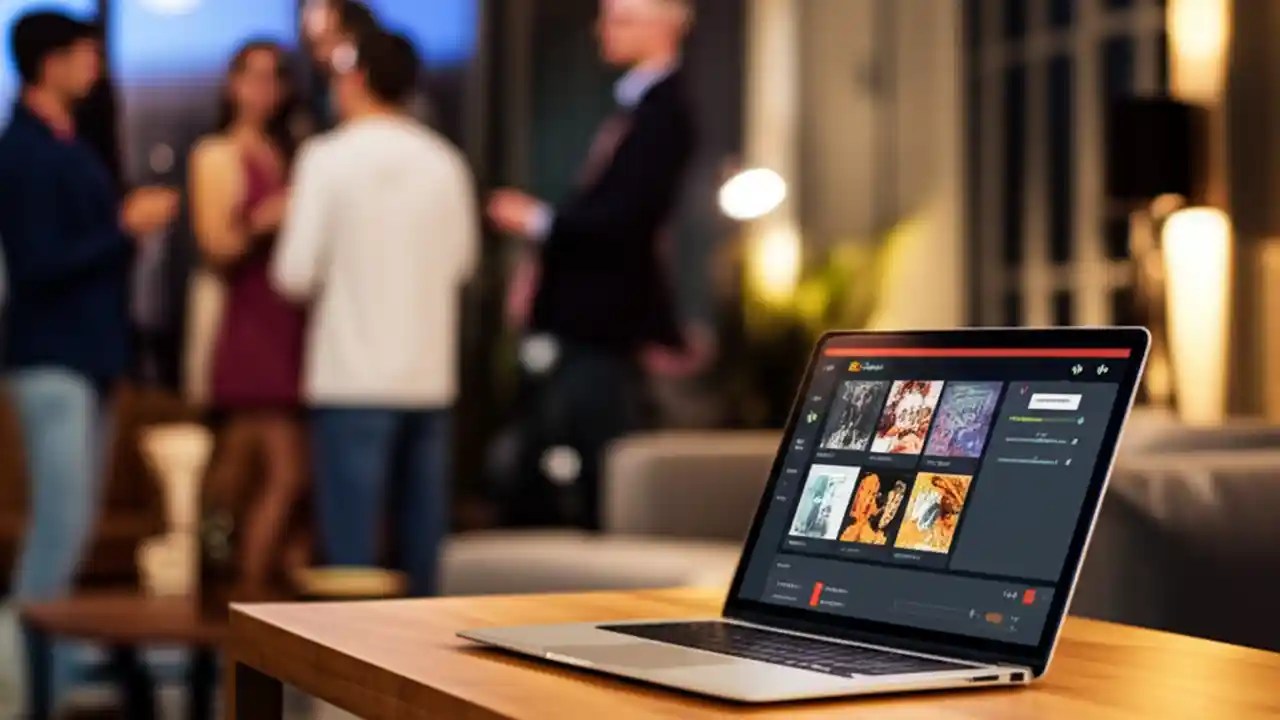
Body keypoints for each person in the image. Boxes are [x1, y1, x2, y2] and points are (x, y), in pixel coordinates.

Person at [0, 10, 177, 709]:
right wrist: (123, 230)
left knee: (70, 529)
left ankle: (55, 678)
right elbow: (38, 265)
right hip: (52, 359)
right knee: (59, 529)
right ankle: (24, 686)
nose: (94, 66)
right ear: (50, 62)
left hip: (92, 358)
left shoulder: (72, 144)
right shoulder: (21, 150)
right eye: (82, 53)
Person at [273, 30, 478, 597]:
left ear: (355, 78)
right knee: (422, 557)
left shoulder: (327, 158)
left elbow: (292, 273)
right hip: (428, 378)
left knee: (351, 562)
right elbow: (462, 264)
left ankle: (347, 687)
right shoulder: (444, 161)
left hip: (351, 376)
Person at [486, 0, 699, 528]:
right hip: (588, 324)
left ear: (662, 27)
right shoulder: (639, 107)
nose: (602, 30)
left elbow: (624, 219)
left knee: (595, 461)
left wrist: (538, 221)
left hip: (603, 323)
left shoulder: (665, 112)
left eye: (619, 18)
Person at [188, 41, 306, 598]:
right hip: (246, 321)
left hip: (289, 321)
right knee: (279, 472)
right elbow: (216, 246)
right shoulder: (215, 154)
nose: (263, 90)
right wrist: (267, 219)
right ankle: (244, 599)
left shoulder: (290, 151)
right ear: (231, 83)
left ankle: (226, 586)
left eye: (273, 78)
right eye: (252, 76)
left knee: (242, 468)